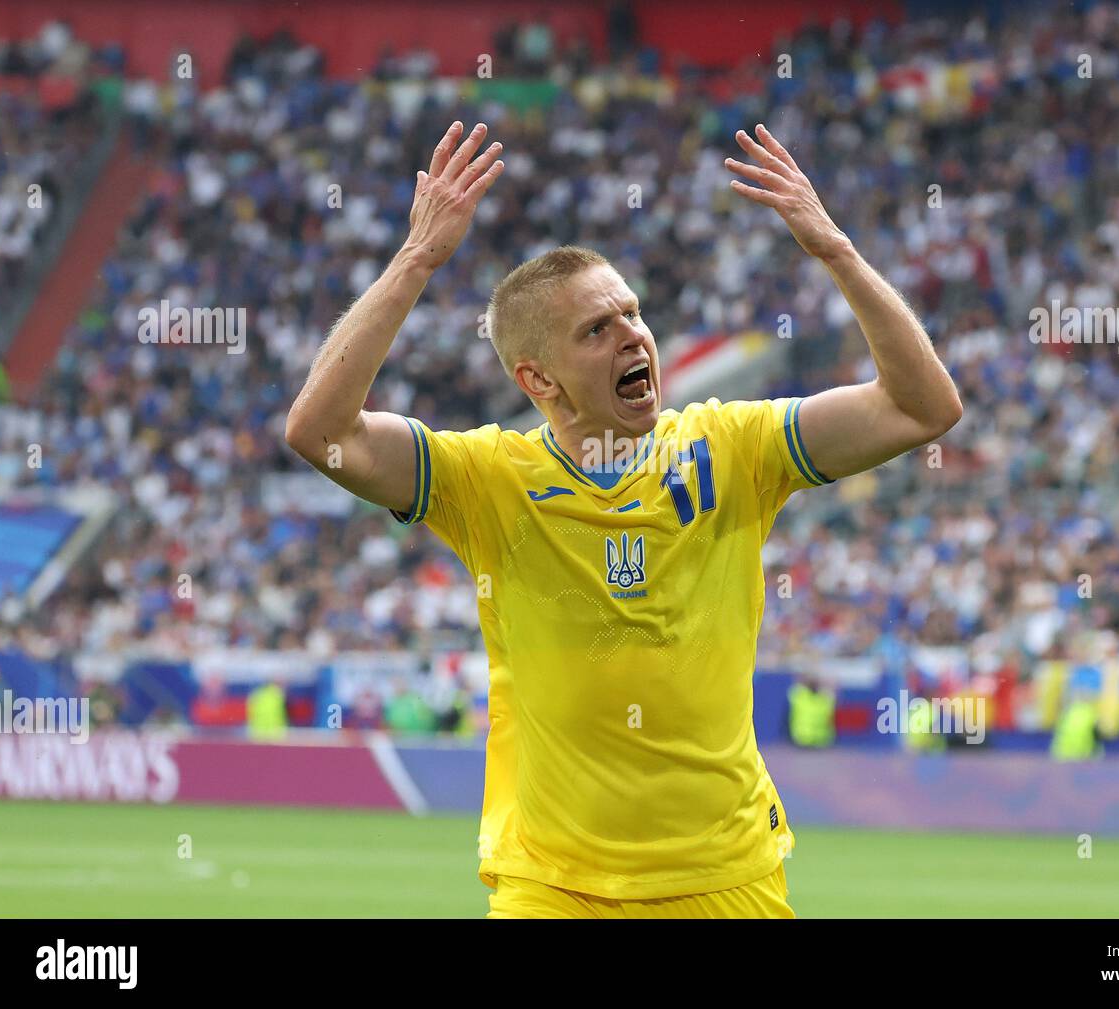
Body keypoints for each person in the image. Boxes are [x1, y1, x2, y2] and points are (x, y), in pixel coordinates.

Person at [286, 120, 962, 918]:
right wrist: (417, 259)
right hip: (553, 884)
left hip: (725, 874)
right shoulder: (486, 479)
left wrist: (836, 252)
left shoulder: (731, 447)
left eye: (632, 314)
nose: (632, 334)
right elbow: (319, 433)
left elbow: (923, 408)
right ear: (538, 377)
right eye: (596, 329)